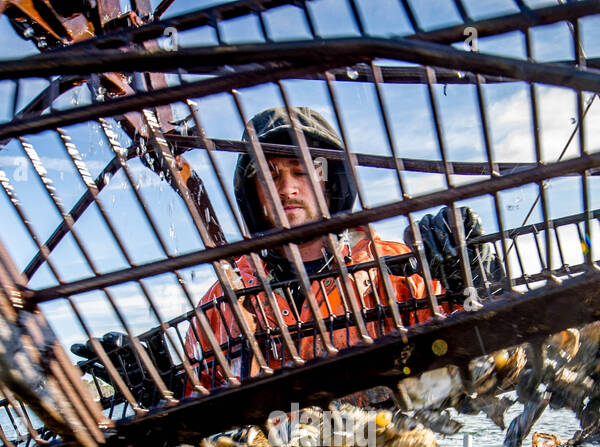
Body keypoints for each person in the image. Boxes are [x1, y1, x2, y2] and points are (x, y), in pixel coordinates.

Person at [183, 106, 501, 394]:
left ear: (330, 182)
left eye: (301, 171)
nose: (286, 189)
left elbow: (485, 365)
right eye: (270, 176)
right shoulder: (218, 306)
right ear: (253, 193)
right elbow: (191, 414)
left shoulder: (396, 270)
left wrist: (474, 281)